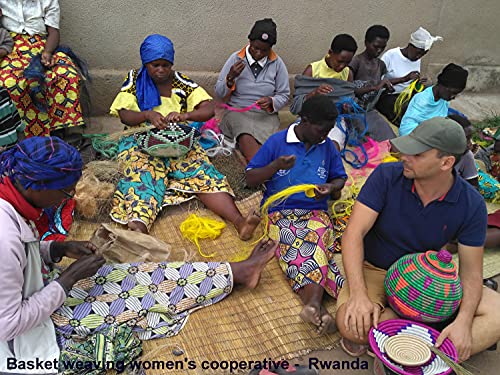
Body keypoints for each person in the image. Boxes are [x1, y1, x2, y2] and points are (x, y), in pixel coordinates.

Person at [0, 136, 279, 372]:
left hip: (37, 292)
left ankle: (235, 272)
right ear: (36, 185)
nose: (69, 197)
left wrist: (56, 249)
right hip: (24, 338)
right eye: (65, 190)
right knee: (137, 298)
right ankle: (237, 273)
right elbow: (9, 324)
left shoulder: (14, 202)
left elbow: (21, 262)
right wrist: (68, 279)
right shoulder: (5, 238)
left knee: (132, 273)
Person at [335, 117, 500, 361]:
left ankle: (408, 343)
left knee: (497, 313)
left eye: (417, 154)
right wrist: (358, 294)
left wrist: (465, 322)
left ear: (446, 162)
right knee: (350, 325)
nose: (404, 157)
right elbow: (353, 235)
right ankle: (426, 340)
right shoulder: (387, 176)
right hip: (375, 269)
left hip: (428, 279)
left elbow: (471, 273)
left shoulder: (471, 204)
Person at [109, 34, 260, 237]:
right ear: (146, 63)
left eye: (166, 65)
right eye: (155, 65)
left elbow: (208, 109)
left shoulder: (181, 82)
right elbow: (125, 115)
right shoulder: (134, 80)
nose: (161, 70)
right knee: (144, 176)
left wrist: (185, 115)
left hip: (178, 142)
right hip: (141, 141)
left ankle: (240, 222)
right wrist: (147, 115)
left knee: (204, 172)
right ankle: (138, 231)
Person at [246, 96, 347, 335]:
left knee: (314, 237)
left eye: (329, 130)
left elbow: (339, 178)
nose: (325, 135)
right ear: (305, 120)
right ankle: (329, 308)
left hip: (316, 212)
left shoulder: (327, 148)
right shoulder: (277, 142)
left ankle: (314, 305)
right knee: (294, 242)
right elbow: (250, 178)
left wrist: (331, 188)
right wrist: (275, 166)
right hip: (279, 212)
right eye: (321, 129)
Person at [0, 0, 88, 138]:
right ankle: (18, 133)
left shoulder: (47, 1)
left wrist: (47, 52)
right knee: (9, 82)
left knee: (66, 75)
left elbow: (53, 32)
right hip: (10, 47)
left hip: (42, 45)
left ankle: (58, 130)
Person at [215, 18, 290, 162]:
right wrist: (230, 78)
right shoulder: (235, 58)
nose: (258, 53)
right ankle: (260, 168)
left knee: (267, 144)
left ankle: (264, 166)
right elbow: (219, 93)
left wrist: (271, 101)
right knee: (246, 137)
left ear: (271, 48)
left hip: (264, 116)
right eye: (255, 48)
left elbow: (284, 94)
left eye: (265, 50)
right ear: (249, 41)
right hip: (238, 112)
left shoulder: (277, 64)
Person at [290, 34, 357, 150]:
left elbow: (350, 100)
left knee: (332, 148)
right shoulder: (312, 70)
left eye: (347, 63)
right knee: (296, 143)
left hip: (335, 120)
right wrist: (314, 94)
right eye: (340, 61)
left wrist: (347, 107)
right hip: (310, 118)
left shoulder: (348, 74)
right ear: (330, 52)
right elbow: (296, 106)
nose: (342, 66)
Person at [376, 27, 442, 123]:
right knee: (405, 110)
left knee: (428, 103)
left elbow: (411, 85)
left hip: (406, 95)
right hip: (388, 95)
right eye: (418, 53)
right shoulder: (391, 55)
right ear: (410, 45)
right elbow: (378, 82)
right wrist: (404, 79)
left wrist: (418, 83)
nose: (419, 57)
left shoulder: (416, 60)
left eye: (423, 55)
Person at [399, 63, 468, 136]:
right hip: (416, 139)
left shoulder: (443, 100)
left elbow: (441, 122)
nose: (453, 97)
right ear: (443, 86)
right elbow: (406, 129)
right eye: (453, 93)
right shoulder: (422, 100)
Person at [349, 25, 393, 106]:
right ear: (366, 43)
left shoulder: (381, 65)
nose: (379, 50)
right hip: (354, 107)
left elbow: (380, 86)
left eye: (383, 47)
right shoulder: (355, 62)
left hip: (372, 107)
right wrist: (374, 88)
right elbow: (349, 90)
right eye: (376, 46)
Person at [448, 114, 478, 187]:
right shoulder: (429, 150)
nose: (470, 144)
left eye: (470, 138)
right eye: (466, 139)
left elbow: (473, 186)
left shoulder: (466, 155)